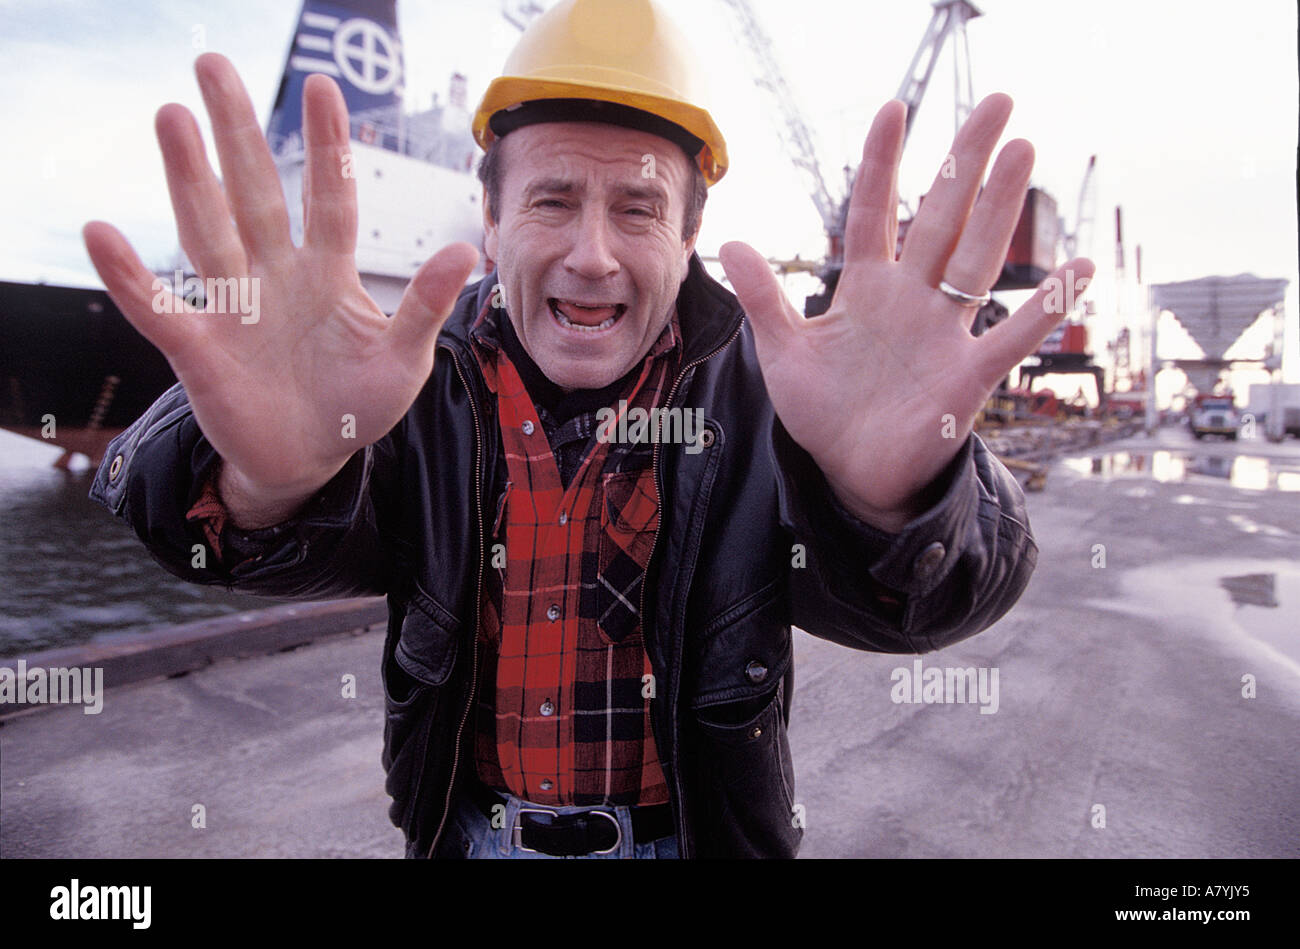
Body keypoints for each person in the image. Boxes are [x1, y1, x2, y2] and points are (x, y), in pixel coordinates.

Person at [83, 0, 1092, 858]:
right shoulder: (408, 385)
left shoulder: (776, 395)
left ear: (690, 234)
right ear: (491, 219)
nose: (593, 255)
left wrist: (889, 503)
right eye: (552, 200)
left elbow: (937, 604)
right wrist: (267, 484)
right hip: (465, 836)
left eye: (638, 209)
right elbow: (230, 541)